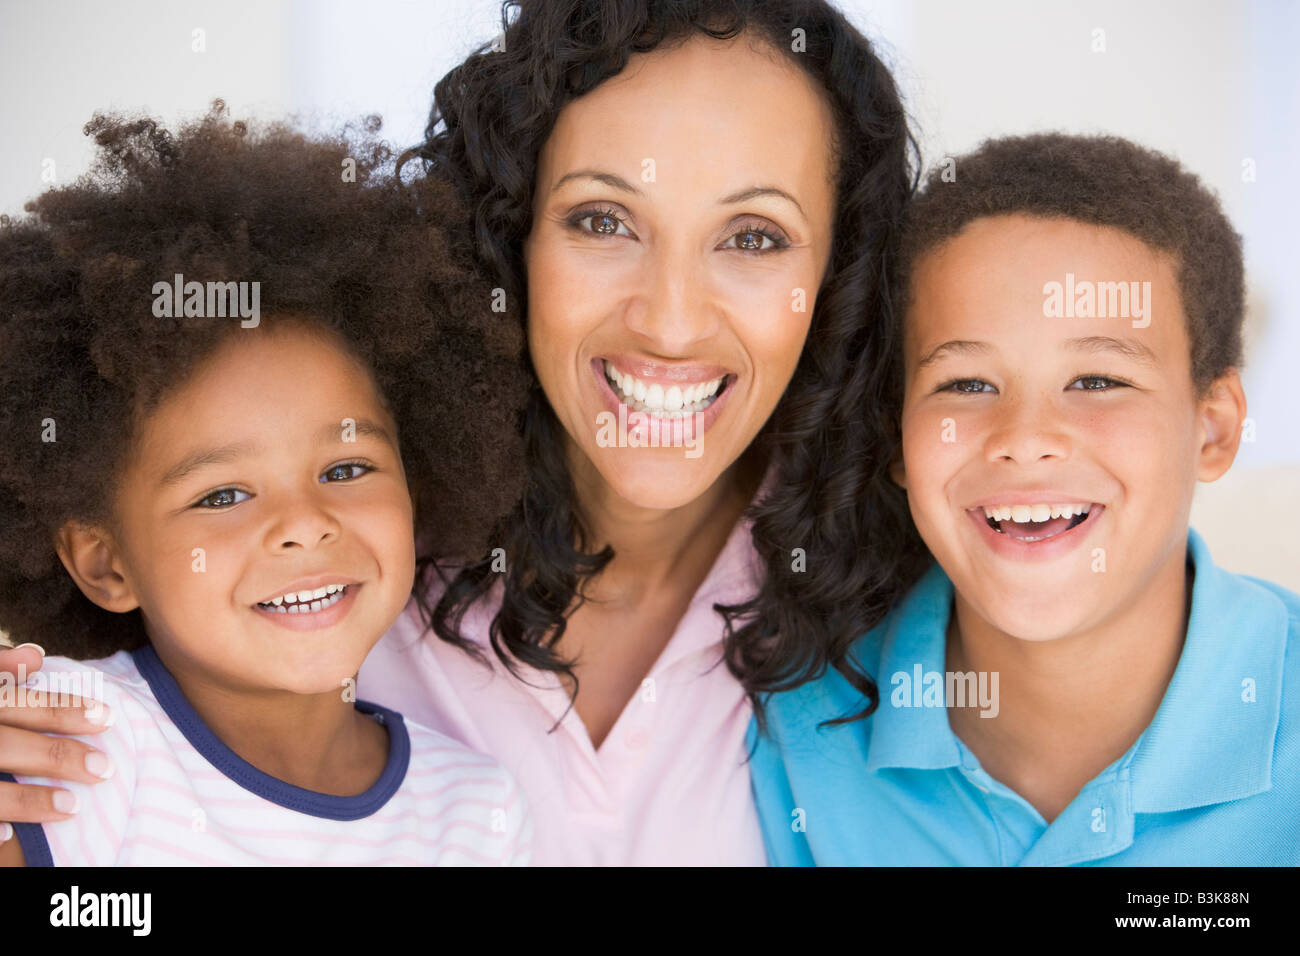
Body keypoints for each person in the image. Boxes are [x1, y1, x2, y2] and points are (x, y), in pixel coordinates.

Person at [0, 0, 926, 866]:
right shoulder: (342, 550)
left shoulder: (911, 591)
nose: (671, 322)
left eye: (755, 236)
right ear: (511, 236)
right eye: (601, 221)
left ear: (837, 274)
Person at [747, 133, 1300, 865]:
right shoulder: (796, 726)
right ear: (897, 439)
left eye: (1098, 381)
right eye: (967, 385)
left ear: (1214, 428)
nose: (1027, 438)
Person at [0, 107, 532, 865]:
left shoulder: (479, 814)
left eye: (346, 469)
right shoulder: (69, 743)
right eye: (222, 495)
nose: (304, 524)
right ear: (104, 563)